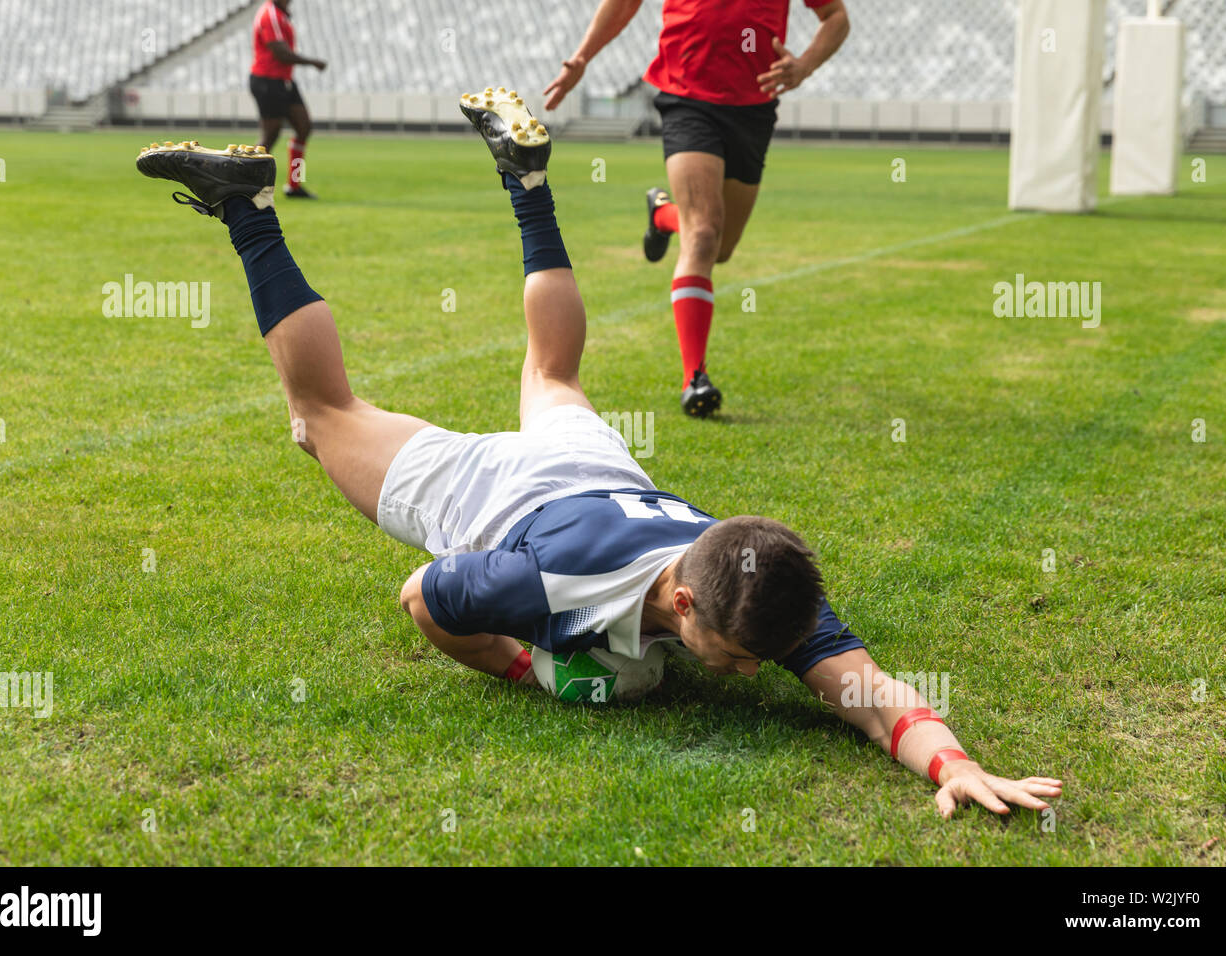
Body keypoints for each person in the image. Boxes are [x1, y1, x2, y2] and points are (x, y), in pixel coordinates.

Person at [132, 89, 1062, 818]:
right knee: (322, 412)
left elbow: (869, 694)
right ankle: (250, 207)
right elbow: (425, 599)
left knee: (552, 367)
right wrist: (530, 668)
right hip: (497, 497)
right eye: (734, 659)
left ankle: (528, 181)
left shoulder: (753, 580)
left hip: (608, 478)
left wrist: (957, 763)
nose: (744, 674)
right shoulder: (554, 593)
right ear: (685, 601)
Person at [544, 0, 850, 417]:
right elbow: (623, 5)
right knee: (704, 234)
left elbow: (836, 16)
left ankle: (662, 215)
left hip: (754, 109)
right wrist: (581, 58)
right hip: (687, 98)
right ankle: (695, 378)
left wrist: (804, 66)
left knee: (719, 247)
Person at [249, 0, 326, 198]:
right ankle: (246, 181)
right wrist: (312, 62)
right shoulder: (270, 14)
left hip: (283, 81)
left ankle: (294, 185)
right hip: (267, 81)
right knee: (270, 135)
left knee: (303, 127)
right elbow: (280, 53)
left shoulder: (281, 13)